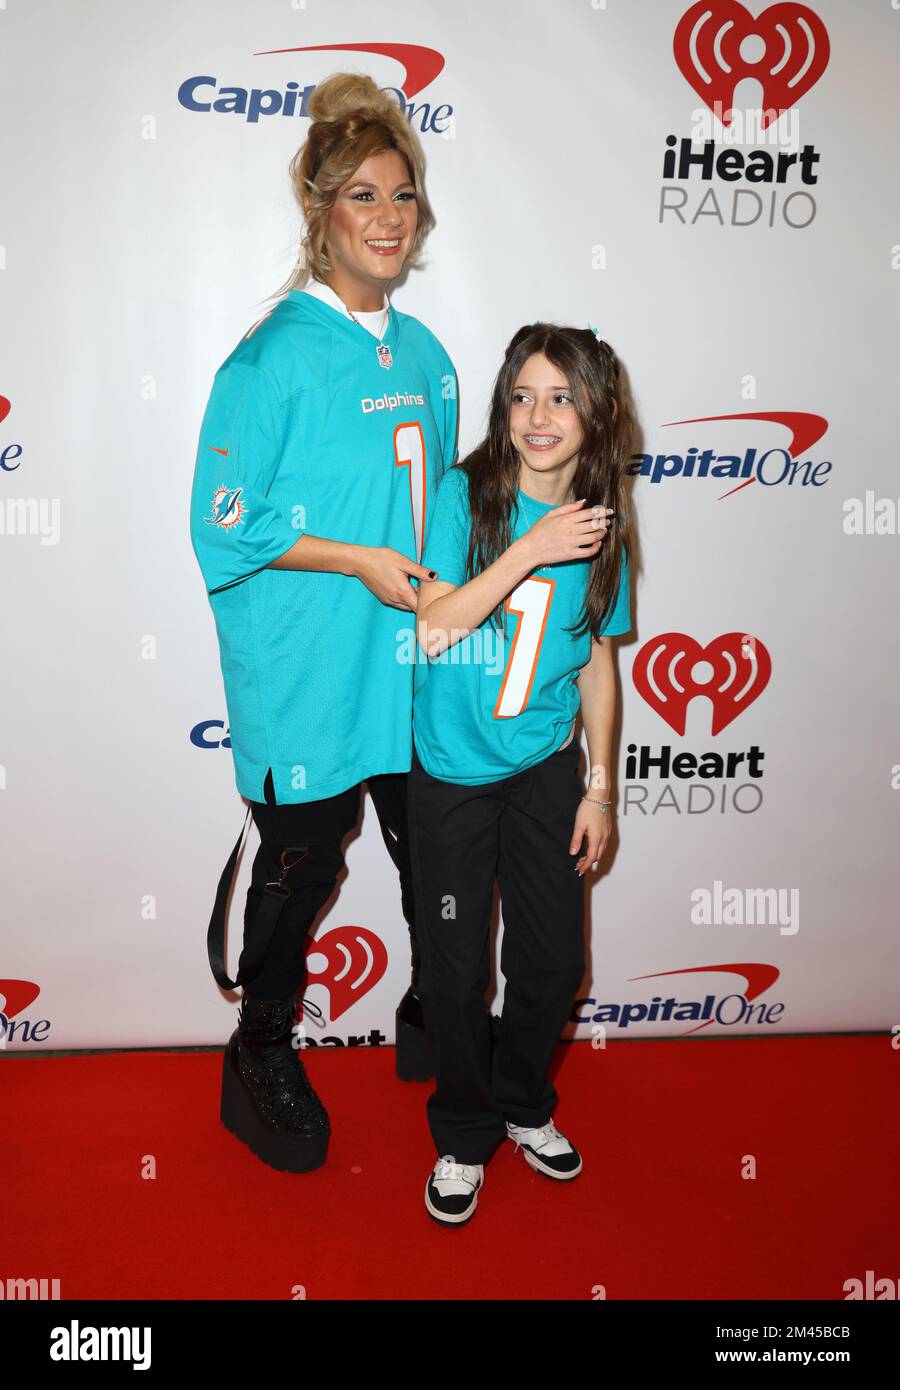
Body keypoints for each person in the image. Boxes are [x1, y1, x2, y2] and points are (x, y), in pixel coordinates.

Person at [189, 73, 458, 1174]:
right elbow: (224, 524)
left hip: (408, 674)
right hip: (305, 680)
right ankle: (258, 1050)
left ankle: (437, 1016)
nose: (388, 219)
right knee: (298, 876)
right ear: (319, 214)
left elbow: (448, 510)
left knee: (434, 854)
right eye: (362, 197)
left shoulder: (431, 356)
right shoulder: (267, 361)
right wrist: (351, 558)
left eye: (402, 196)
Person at [408, 323, 634, 1224]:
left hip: (546, 771)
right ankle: (463, 1132)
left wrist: (601, 785)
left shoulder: (601, 517)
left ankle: (520, 1105)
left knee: (551, 965)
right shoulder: (466, 496)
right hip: (455, 775)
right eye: (523, 395)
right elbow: (434, 626)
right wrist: (531, 549)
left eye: (561, 396)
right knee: (458, 971)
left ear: (595, 410)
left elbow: (597, 663)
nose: (539, 416)